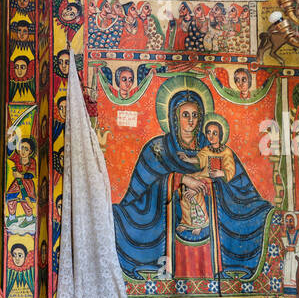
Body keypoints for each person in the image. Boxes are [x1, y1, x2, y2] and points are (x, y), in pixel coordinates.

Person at [113, 89, 270, 279]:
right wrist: (179, 179)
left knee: (262, 211)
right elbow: (141, 194)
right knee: (116, 215)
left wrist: (209, 183)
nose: (190, 121)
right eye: (185, 115)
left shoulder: (214, 146)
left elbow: (238, 186)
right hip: (167, 225)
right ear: (174, 117)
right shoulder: (157, 148)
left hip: (211, 222)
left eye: (195, 115)